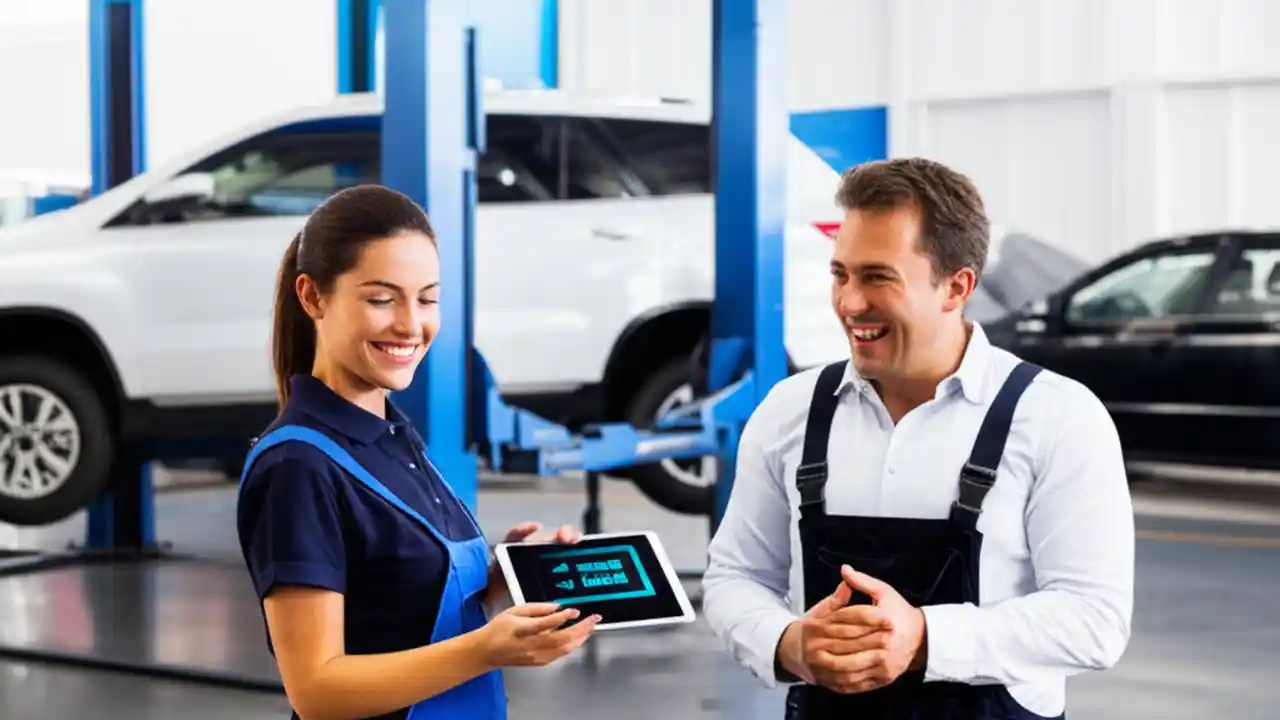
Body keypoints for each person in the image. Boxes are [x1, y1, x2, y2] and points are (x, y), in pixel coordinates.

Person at [702, 158, 1134, 719]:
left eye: (877, 277)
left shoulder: (1057, 417)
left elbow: (1093, 619)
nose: (851, 303)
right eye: (841, 274)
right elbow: (735, 576)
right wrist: (788, 645)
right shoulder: (792, 412)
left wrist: (925, 638)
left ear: (956, 287)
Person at [236, 184, 600, 720]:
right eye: (382, 299)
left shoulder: (393, 438)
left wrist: (502, 574)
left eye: (427, 298)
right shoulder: (299, 467)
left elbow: (391, 594)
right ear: (312, 296)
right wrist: (487, 649)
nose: (411, 324)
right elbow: (316, 689)